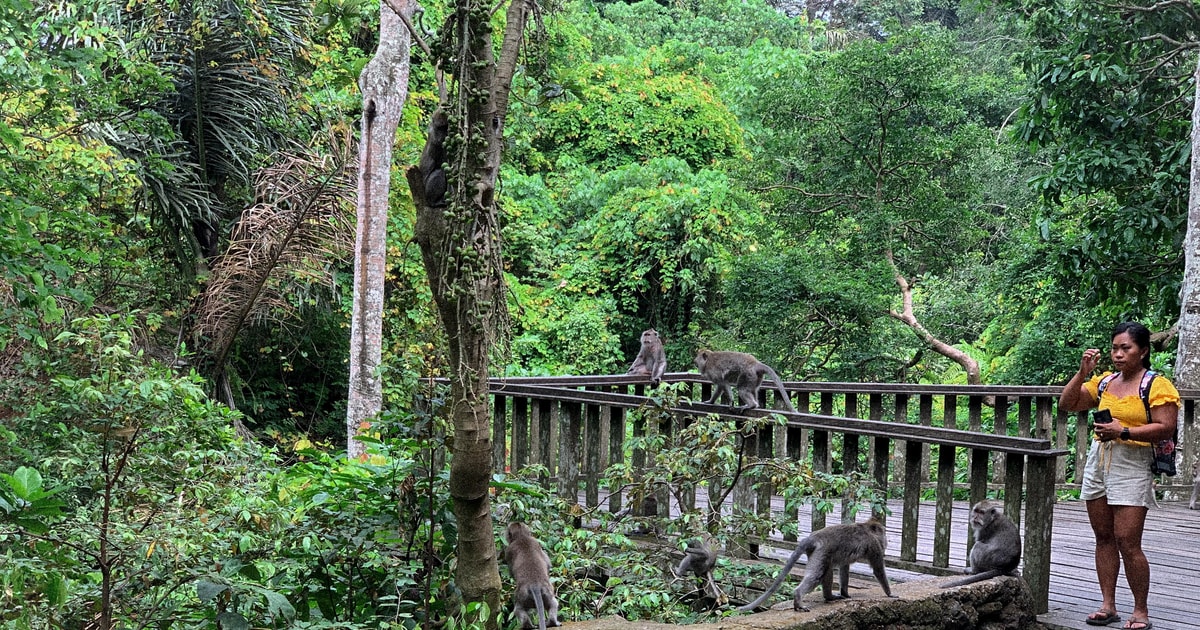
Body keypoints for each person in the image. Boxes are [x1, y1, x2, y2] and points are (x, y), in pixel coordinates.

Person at [1059, 321, 1179, 630]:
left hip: (1133, 463)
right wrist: (1083, 372)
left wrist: (1122, 430)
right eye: (1114, 348)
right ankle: (1108, 605)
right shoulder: (1105, 382)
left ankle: (1140, 611)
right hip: (1100, 461)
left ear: (1143, 351)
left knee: (1128, 540)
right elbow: (1067, 403)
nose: (1118, 354)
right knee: (1103, 536)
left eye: (1126, 348)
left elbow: (1165, 426)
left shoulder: (1156, 385)